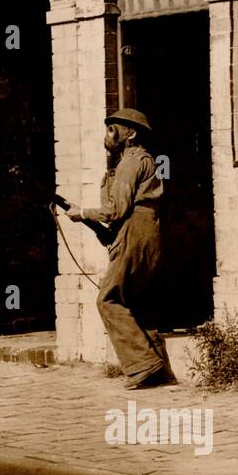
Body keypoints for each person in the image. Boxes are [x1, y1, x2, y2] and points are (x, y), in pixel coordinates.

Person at [67, 108, 174, 389]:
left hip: (136, 231)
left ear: (131, 134)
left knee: (108, 298)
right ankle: (158, 371)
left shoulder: (131, 162)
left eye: (115, 127)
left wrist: (83, 213)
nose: (109, 133)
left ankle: (143, 365)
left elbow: (116, 209)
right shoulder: (133, 162)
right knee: (137, 302)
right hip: (143, 231)